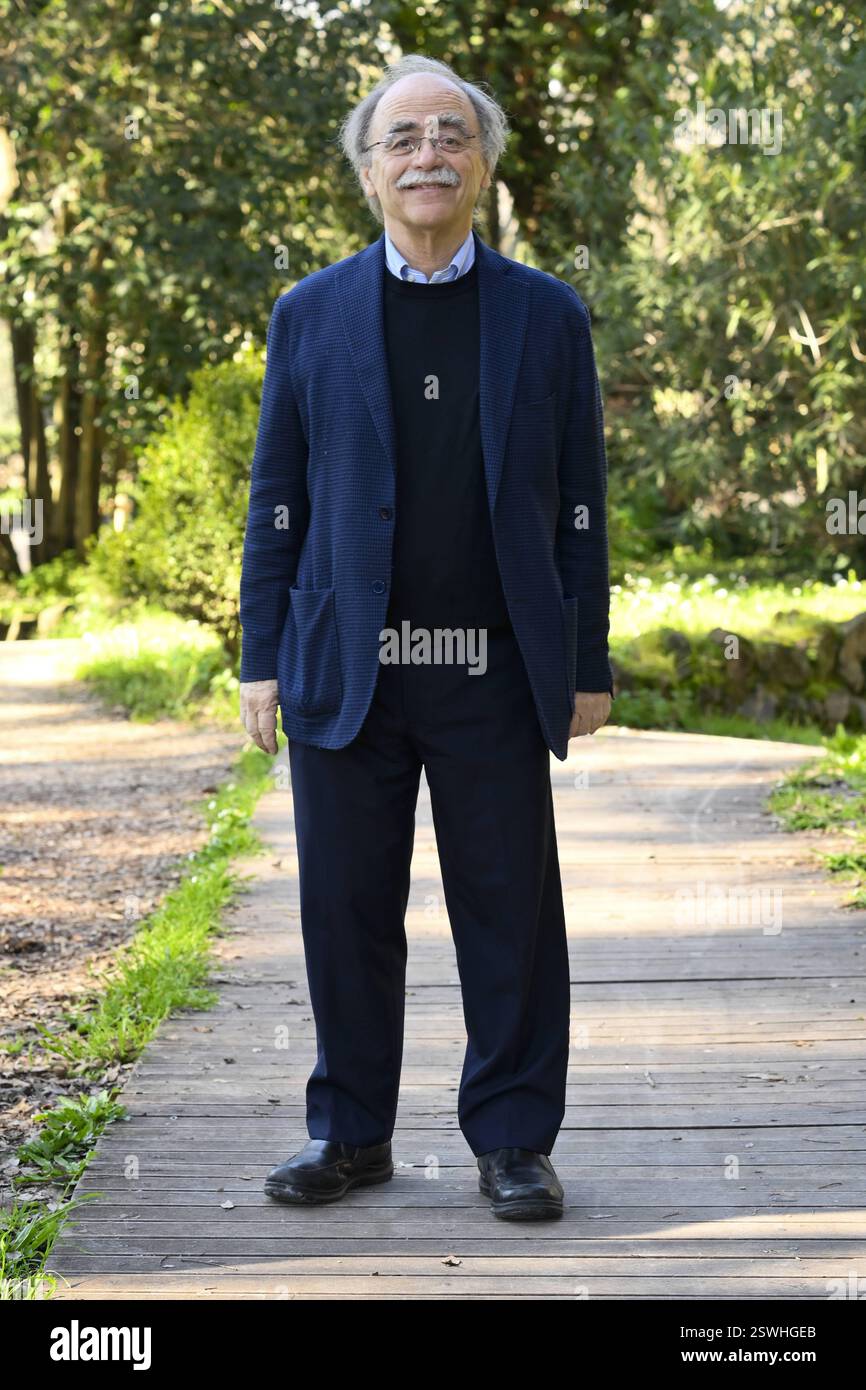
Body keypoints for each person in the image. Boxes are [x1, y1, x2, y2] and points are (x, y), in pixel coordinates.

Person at [239, 54, 612, 1221]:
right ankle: (347, 1134)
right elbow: (275, 493)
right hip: (345, 666)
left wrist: (583, 656)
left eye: (448, 134)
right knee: (343, 910)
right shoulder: (309, 313)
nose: (427, 156)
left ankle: (512, 1139)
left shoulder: (546, 315)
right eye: (401, 139)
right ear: (368, 170)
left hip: (494, 666)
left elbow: (579, 500)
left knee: (507, 910)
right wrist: (258, 652)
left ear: (482, 161)